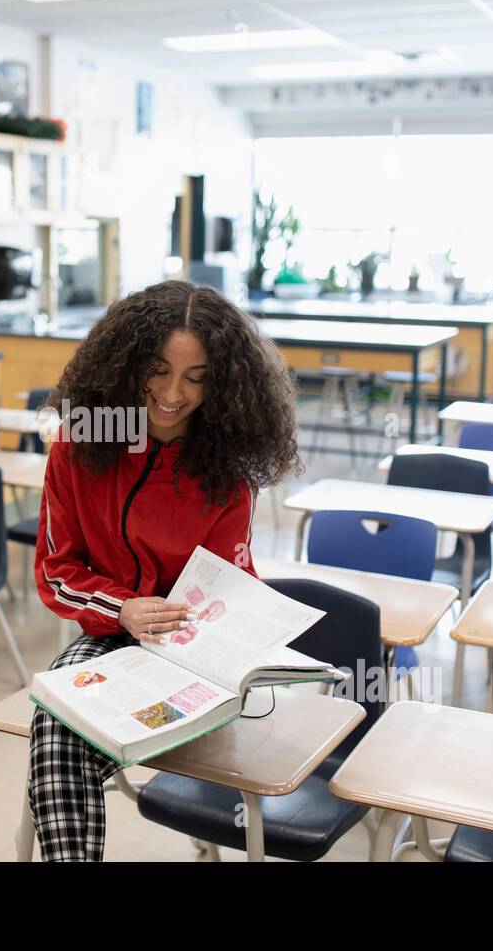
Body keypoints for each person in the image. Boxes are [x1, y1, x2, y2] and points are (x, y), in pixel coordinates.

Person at [29, 280, 301, 861]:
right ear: (125, 364)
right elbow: (57, 570)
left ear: (223, 385)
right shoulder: (78, 446)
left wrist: (219, 631)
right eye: (157, 370)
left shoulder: (226, 468)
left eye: (197, 377)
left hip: (197, 651)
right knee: (54, 729)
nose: (173, 394)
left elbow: (235, 583)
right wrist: (121, 608)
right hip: (110, 637)